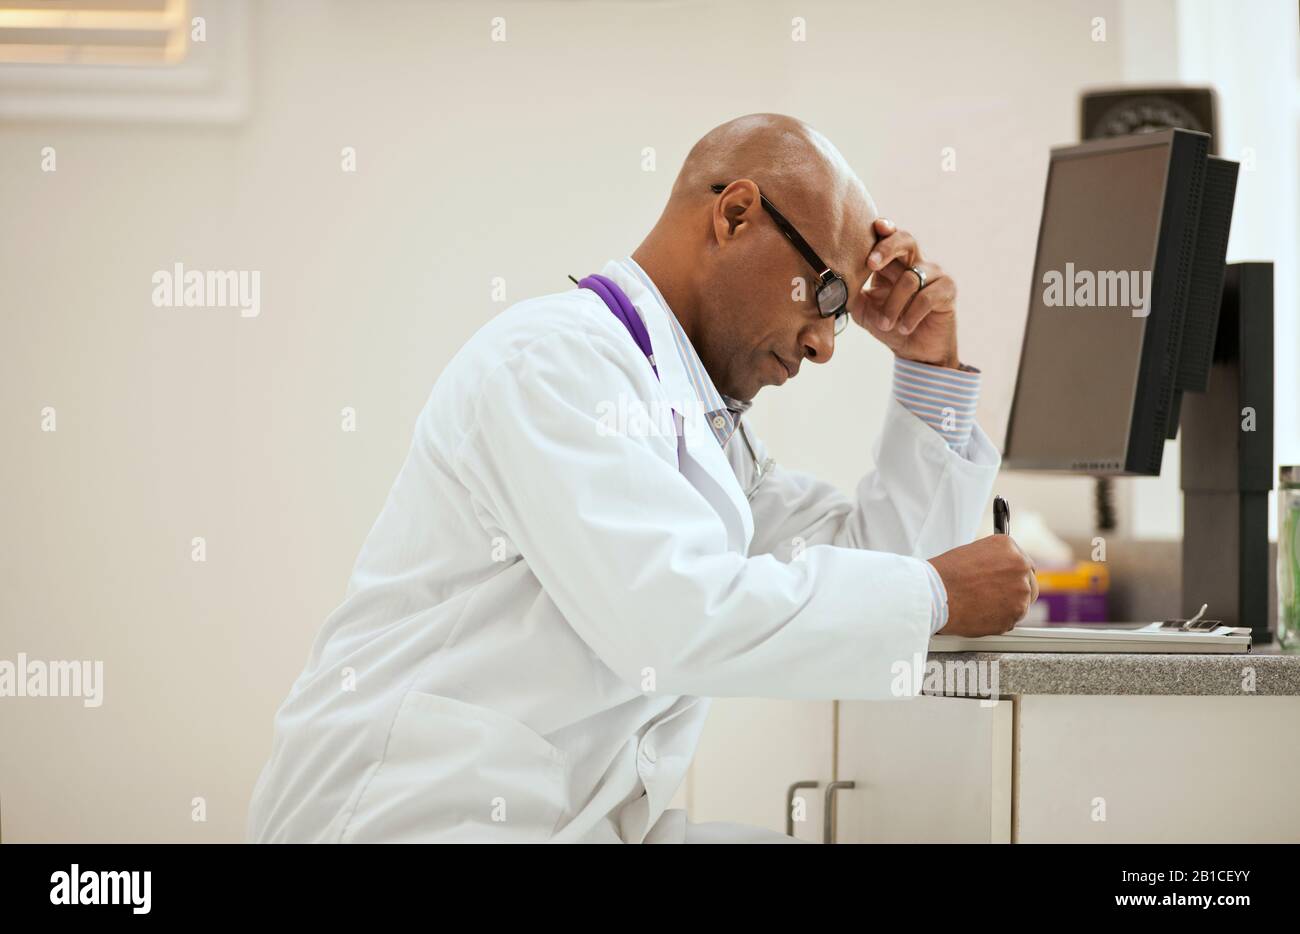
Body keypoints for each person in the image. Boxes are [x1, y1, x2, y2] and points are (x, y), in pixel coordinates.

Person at [247, 113, 1037, 844]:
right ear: (734, 215)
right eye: (828, 294)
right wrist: (932, 595)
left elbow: (885, 563)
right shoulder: (553, 364)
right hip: (410, 822)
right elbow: (675, 619)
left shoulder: (694, 421)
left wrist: (930, 368)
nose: (828, 343)